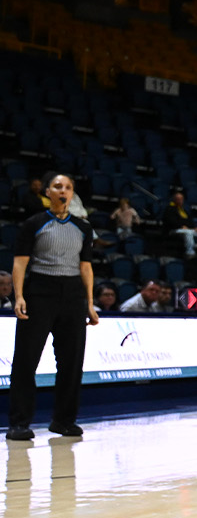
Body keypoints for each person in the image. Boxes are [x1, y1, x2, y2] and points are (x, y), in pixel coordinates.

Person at [8, 172, 100, 442]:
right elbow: (20, 263)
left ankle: (64, 421)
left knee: (72, 363)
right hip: (40, 292)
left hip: (72, 296)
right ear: (47, 192)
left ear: (72, 194)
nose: (63, 191)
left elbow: (86, 268)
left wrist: (90, 303)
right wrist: (20, 296)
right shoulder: (33, 224)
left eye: (68, 187)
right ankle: (20, 423)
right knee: (26, 360)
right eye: (58, 186)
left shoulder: (83, 229)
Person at [161, 190, 197, 261]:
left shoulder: (184, 210)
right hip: (173, 230)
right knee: (188, 233)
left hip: (186, 229)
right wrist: (180, 226)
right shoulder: (169, 209)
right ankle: (190, 253)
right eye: (178, 199)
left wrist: (194, 227)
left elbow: (189, 221)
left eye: (182, 199)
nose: (180, 201)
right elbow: (170, 221)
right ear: (174, 200)